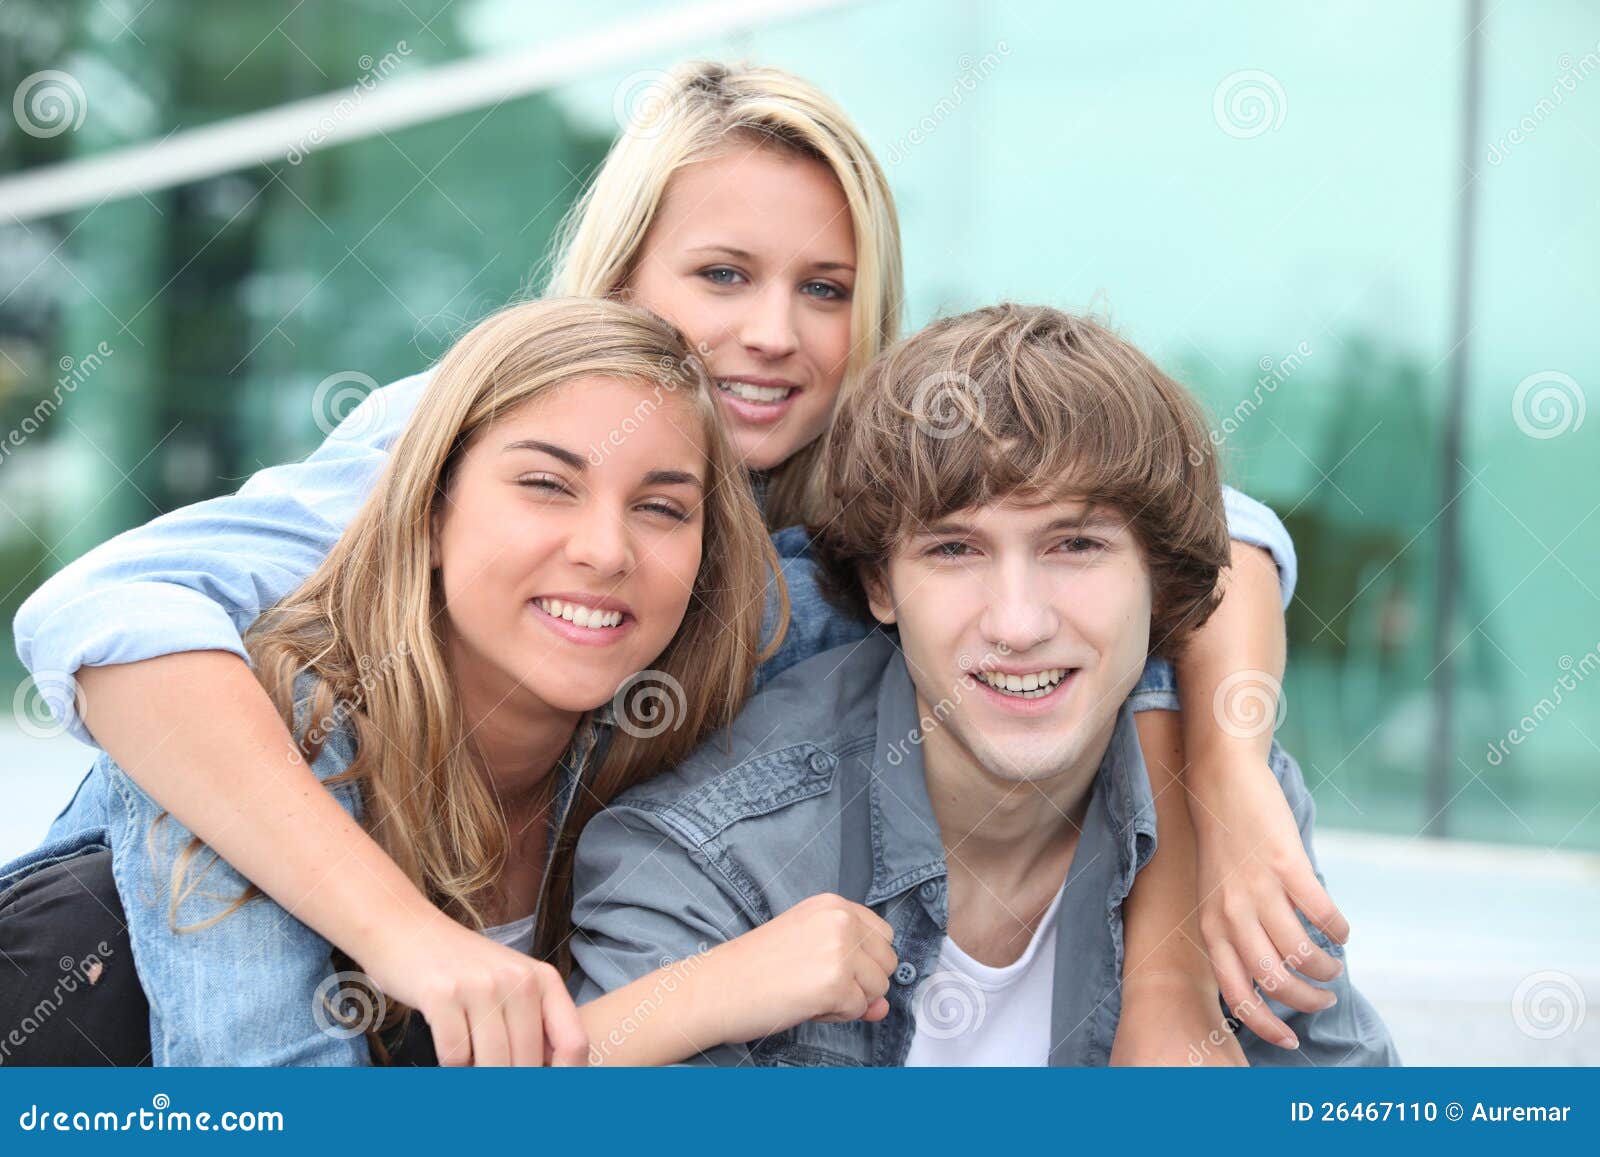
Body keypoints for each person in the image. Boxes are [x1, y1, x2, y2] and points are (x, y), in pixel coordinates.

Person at [12, 63, 1326, 1062]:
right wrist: (403, 937)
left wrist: (1226, 796)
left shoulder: (835, 523)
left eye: (824, 289)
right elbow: (104, 610)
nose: (773, 333)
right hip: (142, 975)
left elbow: (1200, 546)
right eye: (722, 274)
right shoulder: (475, 431)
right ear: (621, 278)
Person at [0, 298, 901, 1067]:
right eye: (548, 485)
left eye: (662, 507)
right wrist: (695, 998)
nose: (603, 550)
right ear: (430, 513)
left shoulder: (665, 755)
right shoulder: (264, 727)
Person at [568, 304, 1401, 1066]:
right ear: (880, 585)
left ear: (1160, 583)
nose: (1017, 621)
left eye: (1074, 545)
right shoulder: (717, 853)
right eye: (955, 550)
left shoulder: (1229, 816)